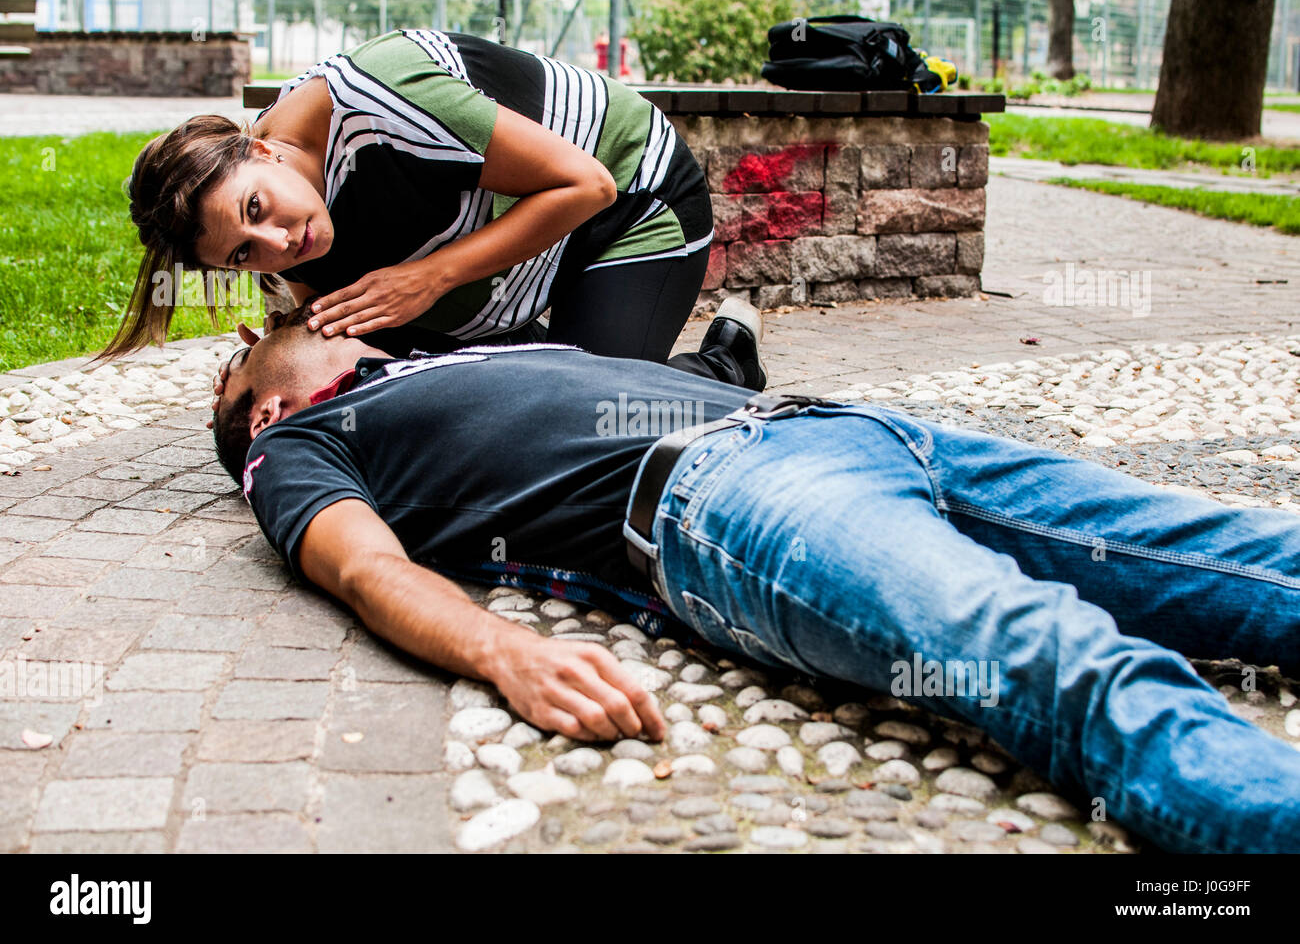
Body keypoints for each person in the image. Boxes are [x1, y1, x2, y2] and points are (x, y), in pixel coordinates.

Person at [213, 304, 1300, 854]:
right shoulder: (296, 447)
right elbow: (362, 566)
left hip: (856, 431)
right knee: (1040, 651)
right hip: (726, 504)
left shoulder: (427, 358)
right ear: (257, 408)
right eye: (242, 352)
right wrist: (508, 651)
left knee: (1237, 557)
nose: (261, 330)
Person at [103, 27, 765, 393]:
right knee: (432, 395)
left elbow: (585, 185)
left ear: (263, 147)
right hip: (525, 264)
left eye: (257, 207)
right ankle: (548, 361)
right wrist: (276, 361)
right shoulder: (281, 243)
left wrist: (432, 276)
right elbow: (335, 335)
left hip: (627, 200)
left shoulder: (376, 97)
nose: (278, 243)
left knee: (600, 419)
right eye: (243, 253)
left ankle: (722, 366)